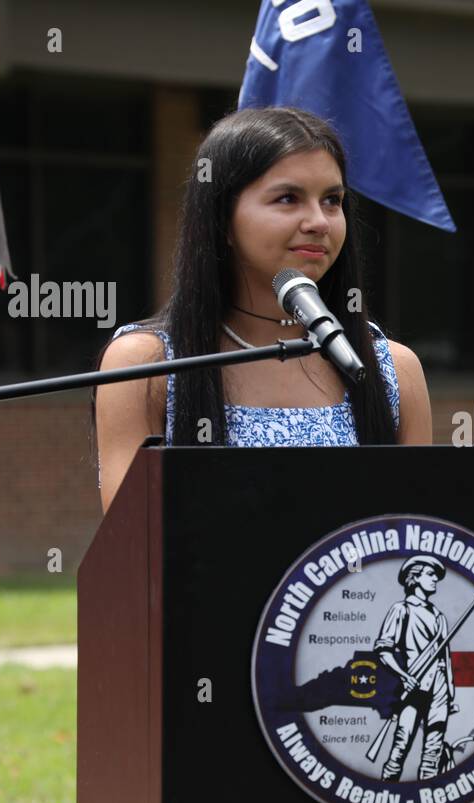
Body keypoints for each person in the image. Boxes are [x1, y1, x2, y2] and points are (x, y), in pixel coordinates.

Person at [92, 107, 433, 512]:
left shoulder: (391, 368)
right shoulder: (147, 365)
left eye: (332, 200)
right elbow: (134, 545)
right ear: (222, 221)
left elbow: (417, 534)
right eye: (288, 198)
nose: (319, 221)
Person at [374, 555, 456, 781]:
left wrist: (450, 693)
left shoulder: (440, 617)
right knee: (402, 740)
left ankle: (426, 791)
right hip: (415, 683)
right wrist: (403, 676)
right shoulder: (401, 610)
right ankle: (388, 786)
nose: (435, 581)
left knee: (434, 744)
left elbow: (445, 658)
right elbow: (383, 650)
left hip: (439, 686)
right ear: (415, 577)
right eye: (430, 575)